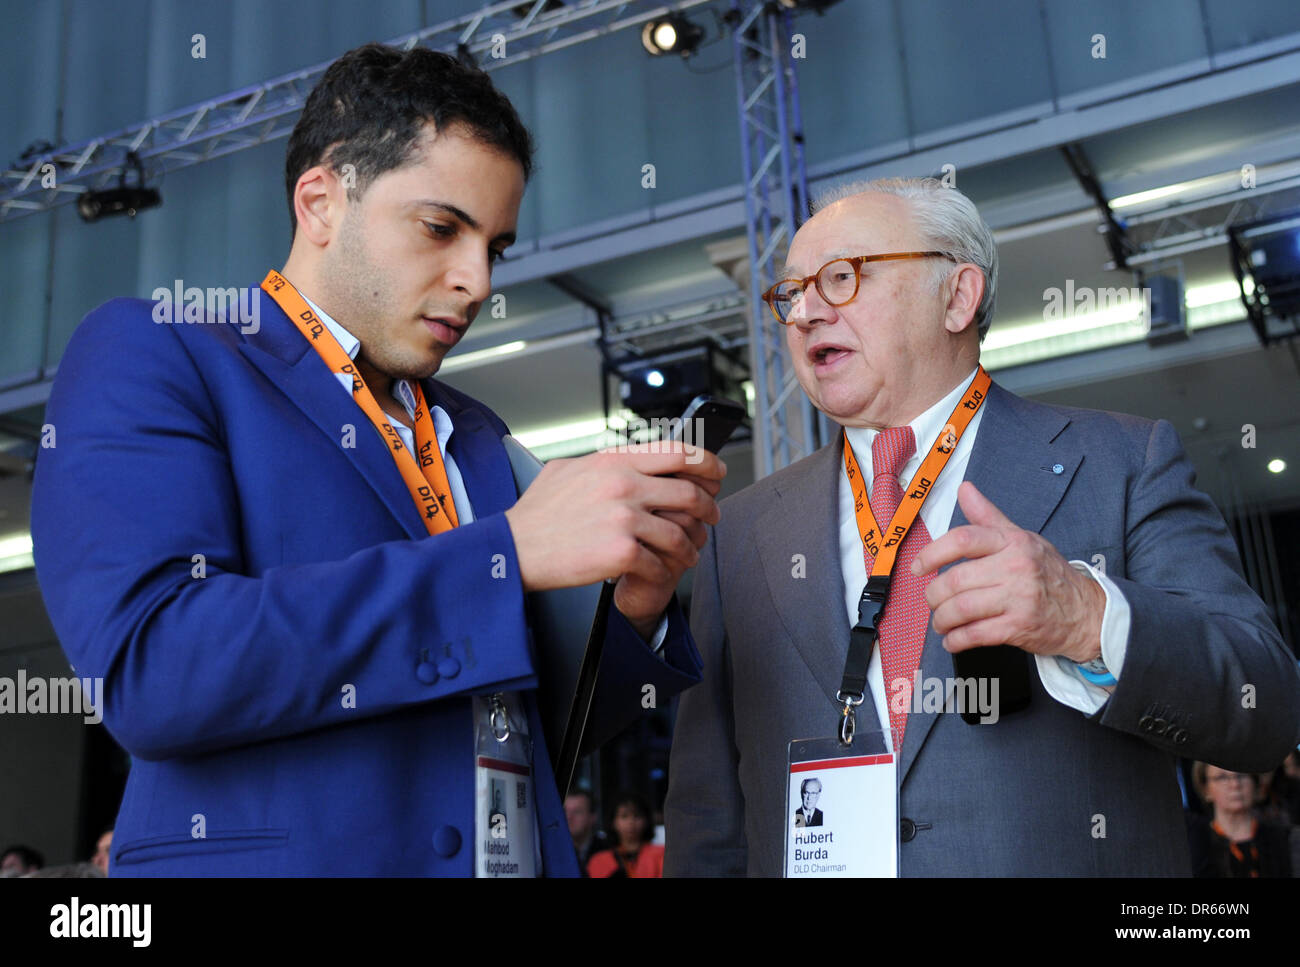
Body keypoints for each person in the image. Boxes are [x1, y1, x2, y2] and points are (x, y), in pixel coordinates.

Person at [31, 43, 724, 876]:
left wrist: (631, 611)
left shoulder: (475, 432)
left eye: (495, 246)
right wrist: (506, 556)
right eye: (441, 228)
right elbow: (154, 668)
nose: (475, 279)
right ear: (321, 202)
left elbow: (523, 722)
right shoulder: (158, 351)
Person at [664, 176, 1300, 876]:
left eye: (841, 278)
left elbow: (1266, 705)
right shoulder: (741, 530)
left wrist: (1088, 619)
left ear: (958, 296)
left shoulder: (1122, 461)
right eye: (790, 293)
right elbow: (708, 818)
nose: (807, 311)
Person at [1187, 763, 1300, 877]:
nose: (1235, 784)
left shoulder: (1288, 838)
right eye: (1222, 777)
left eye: (1242, 775)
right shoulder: (1195, 847)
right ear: (1205, 789)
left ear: (1255, 784)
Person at [586, 792, 663, 878]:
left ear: (646, 820)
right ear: (613, 822)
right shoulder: (598, 861)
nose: (631, 822)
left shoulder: (661, 854)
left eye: (637, 816)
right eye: (624, 816)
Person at [564, 789, 609, 874]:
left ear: (592, 817)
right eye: (565, 811)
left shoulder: (608, 851)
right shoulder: (552, 852)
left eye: (577, 812)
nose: (568, 817)